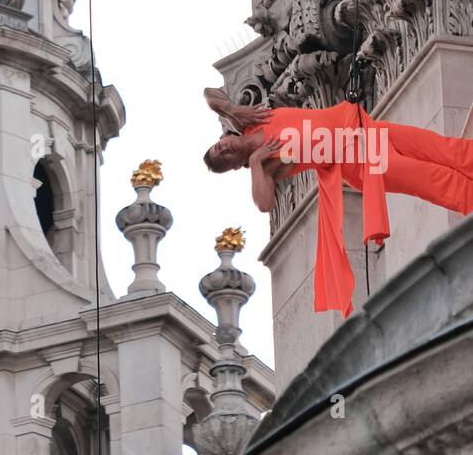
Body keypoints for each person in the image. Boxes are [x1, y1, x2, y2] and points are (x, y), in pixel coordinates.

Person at [202, 87, 473, 317]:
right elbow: (264, 204)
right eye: (223, 160)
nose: (223, 151)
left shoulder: (250, 121)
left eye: (218, 147)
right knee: (435, 178)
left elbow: (209, 94)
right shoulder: (268, 164)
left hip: (364, 130)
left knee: (443, 148)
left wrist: (232, 110)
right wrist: (255, 161)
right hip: (362, 161)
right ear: (236, 166)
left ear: (224, 137)